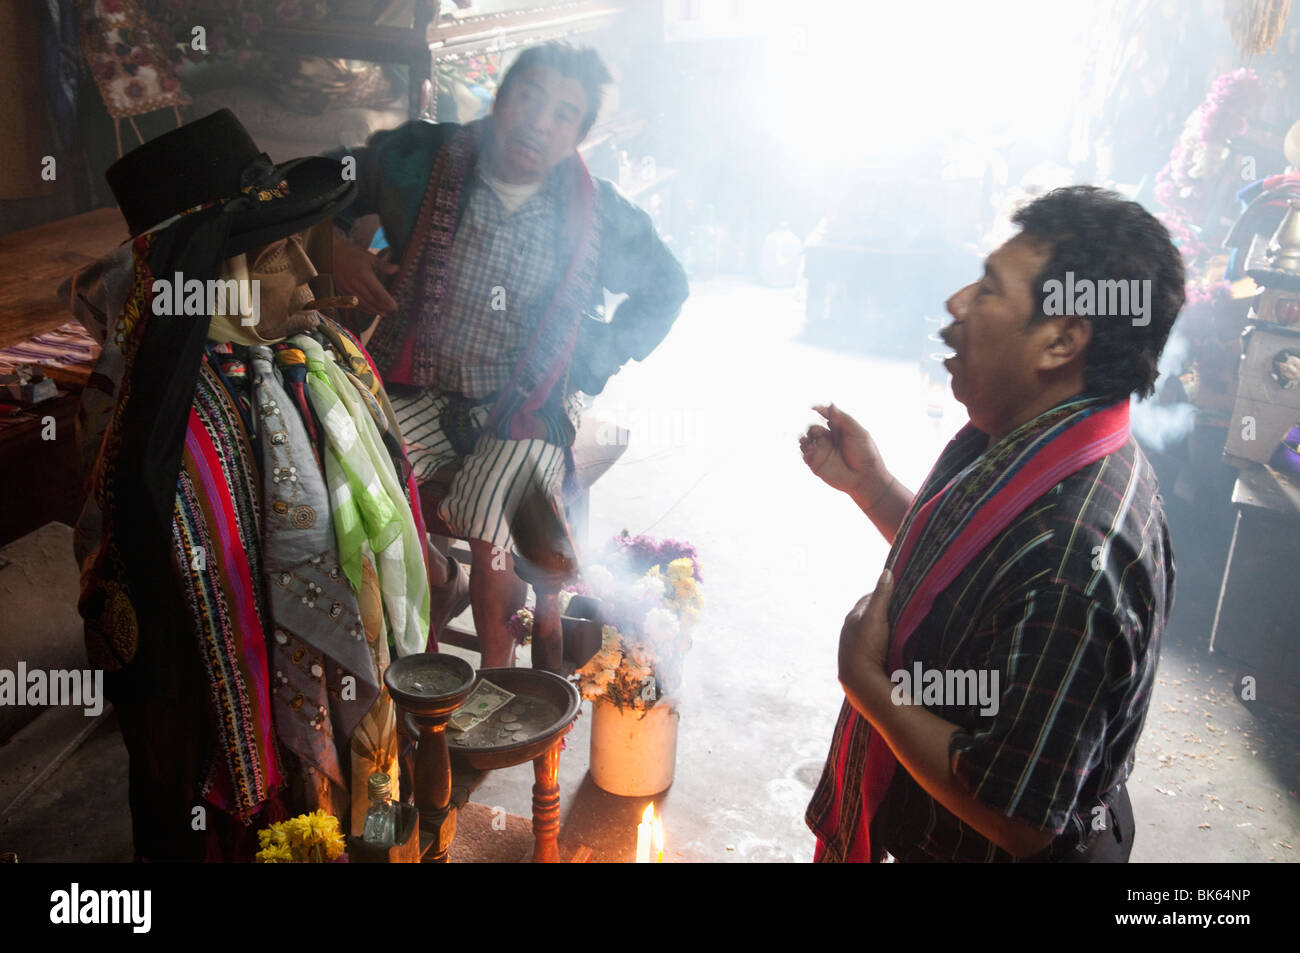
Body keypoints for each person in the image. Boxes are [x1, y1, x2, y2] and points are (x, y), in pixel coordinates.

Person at [68, 109, 429, 861]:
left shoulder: (316, 355)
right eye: (278, 254)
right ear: (215, 283)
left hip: (353, 685)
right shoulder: (164, 420)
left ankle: (367, 833)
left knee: (365, 812)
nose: (306, 272)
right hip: (244, 730)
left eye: (302, 246)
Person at [800, 186, 1183, 862]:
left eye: (987, 288)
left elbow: (1019, 815)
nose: (956, 305)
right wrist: (875, 487)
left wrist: (872, 689)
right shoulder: (1034, 432)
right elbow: (980, 583)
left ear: (1062, 339)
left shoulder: (1079, 554)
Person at [328, 41, 689, 670]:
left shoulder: (599, 211)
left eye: (563, 115)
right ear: (500, 98)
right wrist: (338, 253)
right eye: (529, 98)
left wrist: (596, 357)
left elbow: (667, 284)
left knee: (495, 513)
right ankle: (438, 580)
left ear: (580, 134)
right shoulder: (421, 159)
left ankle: (495, 685)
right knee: (349, 470)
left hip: (525, 404)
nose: (539, 124)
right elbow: (307, 188)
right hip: (416, 382)